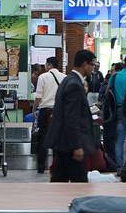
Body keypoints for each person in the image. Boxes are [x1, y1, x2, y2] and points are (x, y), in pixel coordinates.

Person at [45, 49, 97, 183]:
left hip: (62, 143)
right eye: (92, 65)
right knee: (79, 186)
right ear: (85, 64)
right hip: (70, 146)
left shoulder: (68, 80)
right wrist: (77, 146)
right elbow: (72, 118)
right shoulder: (74, 84)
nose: (93, 68)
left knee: (60, 183)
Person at [32, 56, 64, 175]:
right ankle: (57, 166)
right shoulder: (64, 77)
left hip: (45, 111)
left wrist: (34, 109)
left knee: (43, 140)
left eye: (45, 64)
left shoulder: (43, 77)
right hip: (59, 112)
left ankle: (41, 167)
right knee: (58, 140)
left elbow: (38, 96)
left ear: (49, 65)